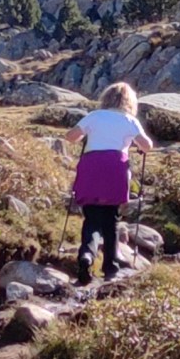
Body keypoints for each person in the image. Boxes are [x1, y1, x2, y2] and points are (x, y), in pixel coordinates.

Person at [64, 82, 153, 284]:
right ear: (130, 101)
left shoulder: (94, 116)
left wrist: (87, 135)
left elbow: (70, 137)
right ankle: (110, 266)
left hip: (91, 166)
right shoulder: (129, 120)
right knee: (111, 218)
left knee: (92, 217)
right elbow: (147, 146)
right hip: (115, 168)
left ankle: (86, 255)